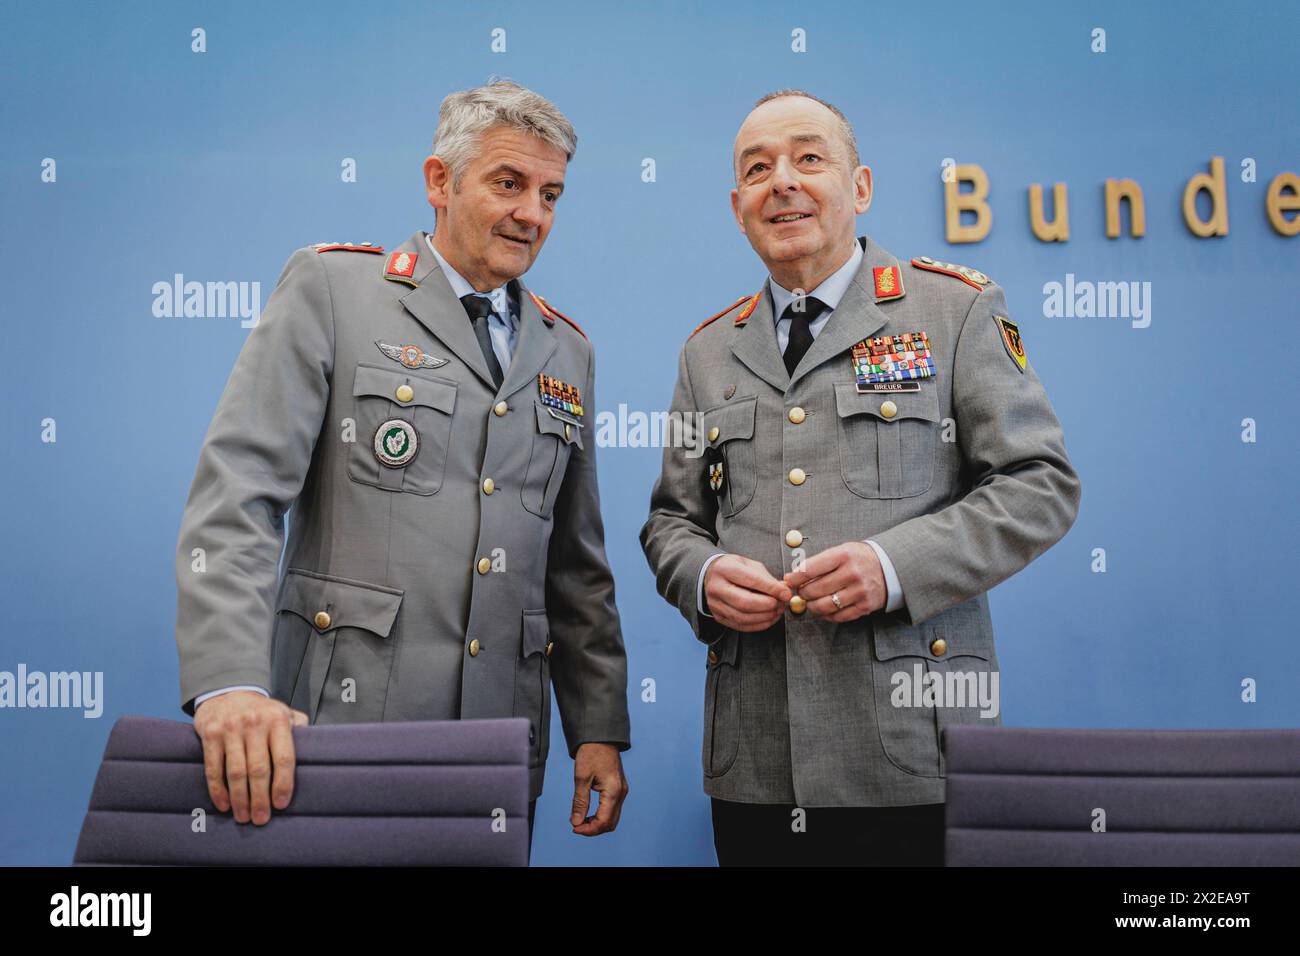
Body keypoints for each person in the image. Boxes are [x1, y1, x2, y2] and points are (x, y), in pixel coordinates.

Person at [175, 80, 630, 856]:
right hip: (333, 732)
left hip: (498, 746)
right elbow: (239, 497)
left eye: (551, 194)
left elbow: (574, 567)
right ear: (438, 182)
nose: (533, 214)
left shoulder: (567, 350)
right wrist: (228, 683)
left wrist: (597, 727)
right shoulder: (333, 289)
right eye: (509, 183)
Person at [639, 89, 1080, 866]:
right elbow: (671, 523)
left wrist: (892, 567)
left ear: (861, 186)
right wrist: (703, 576)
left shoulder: (956, 313)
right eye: (758, 168)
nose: (783, 181)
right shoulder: (704, 354)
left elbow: (1039, 483)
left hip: (917, 754)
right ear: (736, 205)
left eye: (810, 158)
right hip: (757, 762)